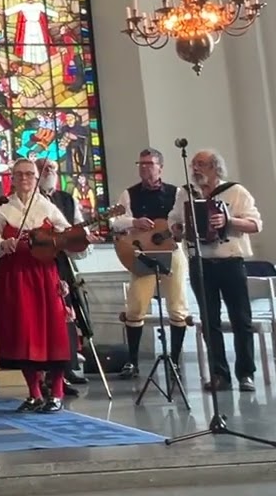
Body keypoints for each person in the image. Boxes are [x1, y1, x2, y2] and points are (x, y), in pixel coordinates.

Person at [0, 158, 97, 414]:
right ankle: (34, 393)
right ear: (12, 177)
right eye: (19, 174)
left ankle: (55, 393)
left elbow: (69, 240)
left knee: (52, 334)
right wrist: (2, 245)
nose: (25, 179)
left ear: (37, 178)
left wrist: (81, 239)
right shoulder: (3, 212)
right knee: (23, 334)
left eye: (30, 175)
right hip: (15, 278)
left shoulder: (49, 208)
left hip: (45, 277)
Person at [169, 149, 262, 392]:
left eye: (201, 164)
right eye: (193, 165)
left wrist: (228, 220)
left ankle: (246, 374)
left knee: (241, 319)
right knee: (210, 321)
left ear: (215, 167)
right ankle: (219, 374)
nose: (195, 169)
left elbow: (255, 224)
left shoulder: (235, 191)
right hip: (201, 263)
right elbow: (174, 220)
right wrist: (177, 228)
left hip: (231, 261)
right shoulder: (185, 193)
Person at [108, 148, 188, 378]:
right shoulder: (129, 193)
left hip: (172, 252)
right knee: (136, 305)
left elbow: (183, 220)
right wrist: (134, 221)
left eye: (149, 164)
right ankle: (132, 362)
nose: (144, 167)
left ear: (160, 167)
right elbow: (115, 222)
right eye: (141, 163)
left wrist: (177, 229)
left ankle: (174, 360)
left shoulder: (177, 192)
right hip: (142, 252)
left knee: (177, 306)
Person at [35, 158, 88, 393]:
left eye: (53, 169)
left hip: (62, 265)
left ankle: (64, 372)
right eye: (44, 169)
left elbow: (77, 229)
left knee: (65, 316)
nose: (49, 172)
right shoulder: (28, 201)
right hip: (35, 265)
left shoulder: (66, 199)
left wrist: (83, 240)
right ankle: (41, 376)